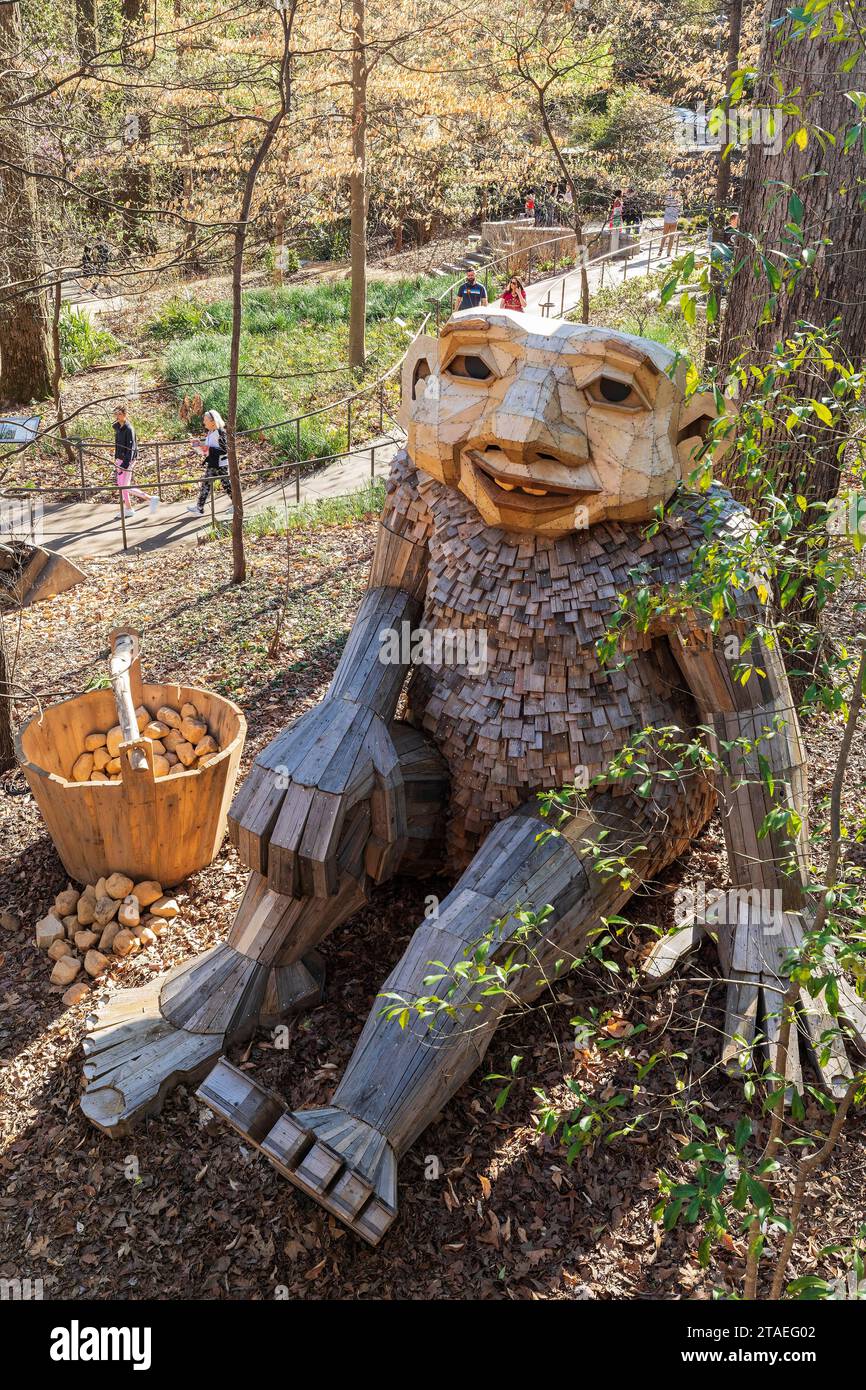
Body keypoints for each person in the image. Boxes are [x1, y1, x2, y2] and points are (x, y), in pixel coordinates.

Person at [112, 405, 157, 519]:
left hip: (127, 461)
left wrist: (125, 464)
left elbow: (131, 448)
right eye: (116, 414)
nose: (117, 416)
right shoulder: (118, 428)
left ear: (125, 415)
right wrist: (117, 460)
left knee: (125, 487)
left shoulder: (129, 429)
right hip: (119, 459)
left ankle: (150, 498)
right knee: (121, 485)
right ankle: (128, 508)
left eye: (120, 414)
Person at [187, 409, 234, 517]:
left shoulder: (220, 432)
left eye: (205, 420)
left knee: (227, 485)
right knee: (206, 484)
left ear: (213, 421)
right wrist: (199, 445)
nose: (204, 422)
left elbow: (224, 449)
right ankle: (199, 508)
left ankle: (237, 505)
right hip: (213, 463)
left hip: (221, 464)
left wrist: (207, 448)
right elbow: (208, 449)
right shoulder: (210, 432)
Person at [660, 185, 682, 257]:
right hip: (672, 219)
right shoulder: (679, 199)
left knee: (667, 236)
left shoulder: (669, 198)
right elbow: (680, 210)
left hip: (669, 219)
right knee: (669, 236)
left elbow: (664, 203)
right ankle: (665, 251)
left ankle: (663, 251)